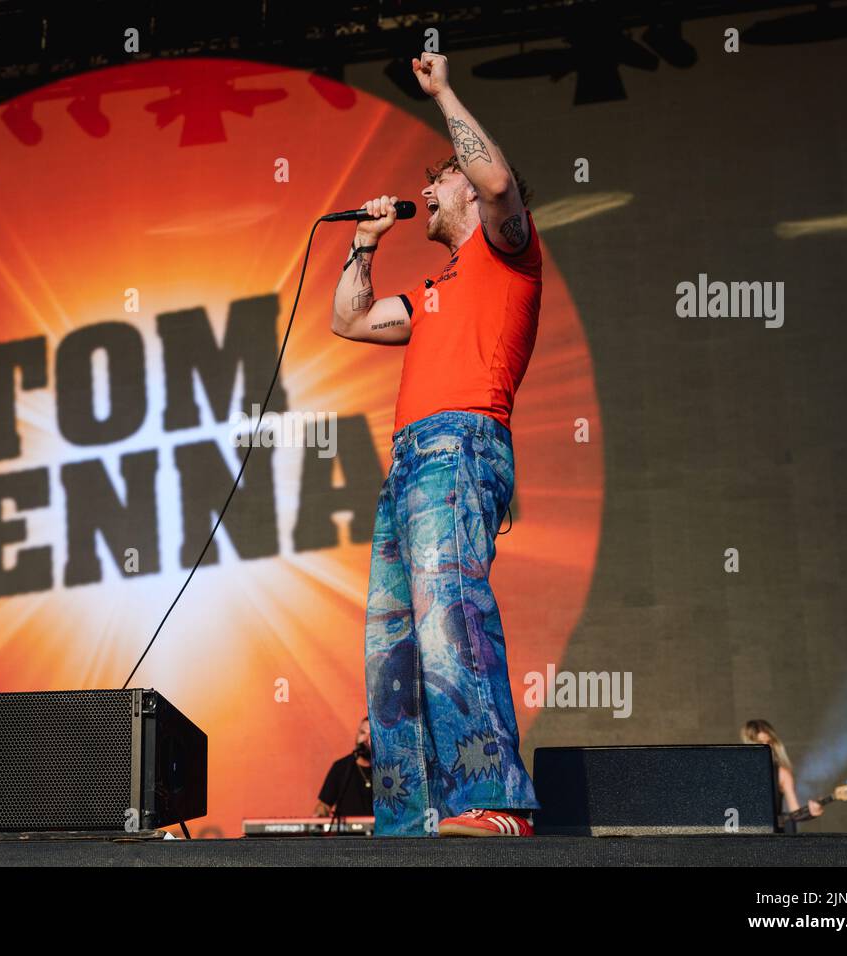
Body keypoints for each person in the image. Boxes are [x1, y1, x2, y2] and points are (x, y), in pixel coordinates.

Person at [330, 51, 542, 837]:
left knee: (450, 618)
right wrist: (365, 242)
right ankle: (409, 818)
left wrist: (443, 91)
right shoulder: (431, 293)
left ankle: (494, 801)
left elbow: (496, 186)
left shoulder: (509, 250)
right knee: (395, 644)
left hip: (462, 445)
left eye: (440, 174)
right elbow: (347, 319)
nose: (427, 186)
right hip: (410, 457)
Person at [741, 719, 823, 834]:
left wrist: (812, 812)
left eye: (768, 742)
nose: (766, 747)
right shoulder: (740, 772)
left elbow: (796, 812)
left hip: (771, 840)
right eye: (759, 743)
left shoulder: (782, 773)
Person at [314, 717, 374, 818]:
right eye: (362, 733)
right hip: (346, 833)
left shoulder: (388, 770)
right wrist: (320, 815)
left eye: (372, 736)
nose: (365, 739)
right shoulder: (341, 767)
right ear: (357, 735)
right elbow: (324, 804)